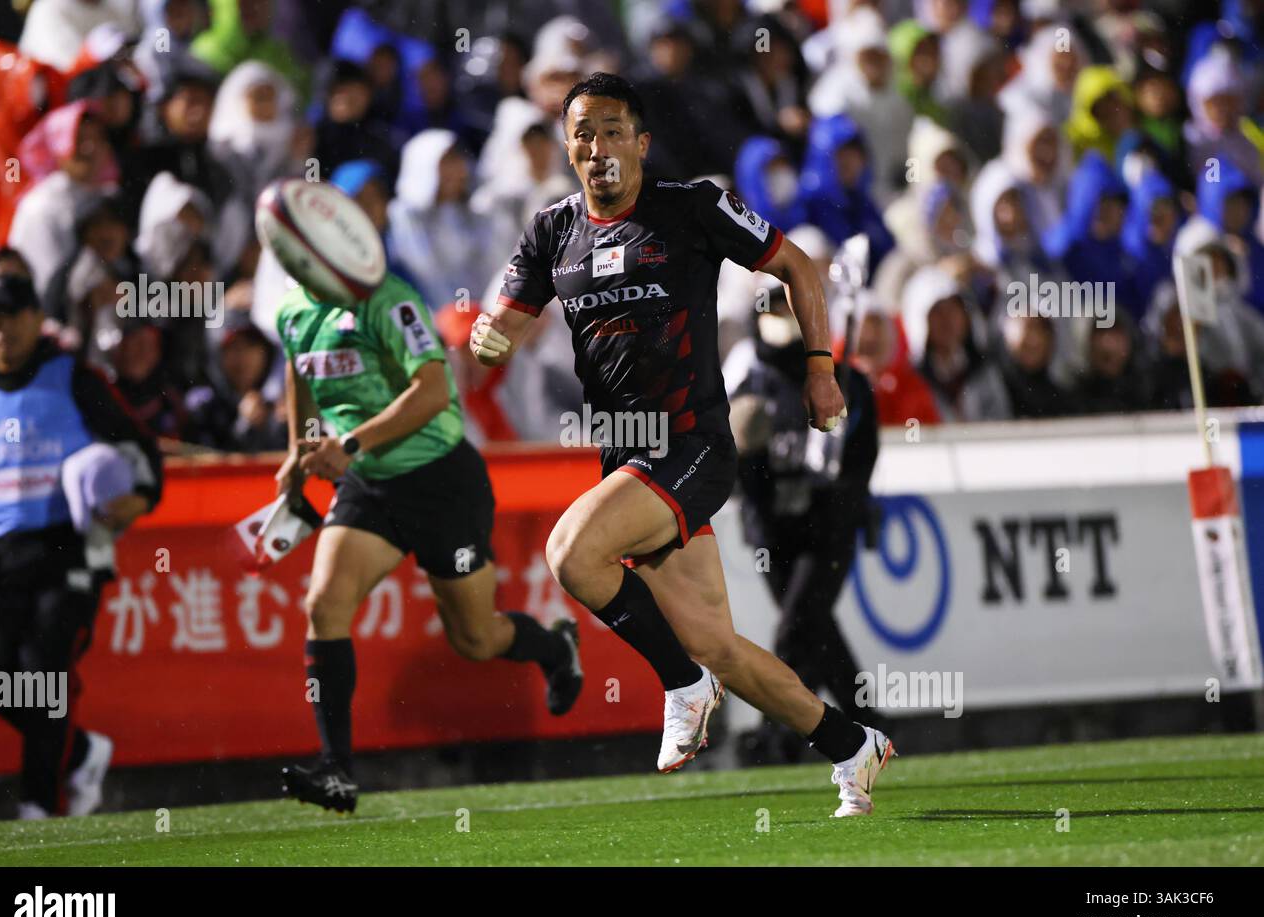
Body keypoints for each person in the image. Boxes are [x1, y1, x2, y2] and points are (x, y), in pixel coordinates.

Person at [472, 73, 895, 817]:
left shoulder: (692, 207)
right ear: (567, 148)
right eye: (582, 132)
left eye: (611, 129)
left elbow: (798, 267)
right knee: (720, 646)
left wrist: (820, 368)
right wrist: (486, 336)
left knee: (571, 553)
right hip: (625, 458)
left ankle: (680, 685)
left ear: (641, 141)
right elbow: (500, 330)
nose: (596, 145)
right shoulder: (550, 230)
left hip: (693, 445)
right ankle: (852, 746)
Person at [265, 194, 584, 814]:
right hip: (369, 484)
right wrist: (297, 450)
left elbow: (434, 392)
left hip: (441, 481)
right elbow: (298, 374)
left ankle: (553, 647)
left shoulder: (392, 302)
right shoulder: (294, 313)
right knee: (324, 604)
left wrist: (349, 442)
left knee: (476, 637)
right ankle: (337, 770)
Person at [0, 274, 163, 819]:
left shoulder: (74, 378)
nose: (2, 329)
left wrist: (139, 498)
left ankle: (38, 806)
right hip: (4, 561)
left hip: (69, 555)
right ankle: (80, 753)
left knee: (47, 672)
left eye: (13, 315)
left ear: (34, 319)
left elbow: (140, 447)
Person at [725, 276, 884, 764]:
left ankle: (777, 733)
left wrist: (833, 487)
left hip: (827, 531)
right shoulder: (746, 385)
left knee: (797, 629)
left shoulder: (843, 383)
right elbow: (730, 475)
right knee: (817, 631)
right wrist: (746, 454)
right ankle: (869, 724)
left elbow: (862, 456)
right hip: (773, 534)